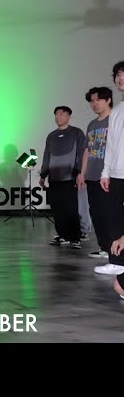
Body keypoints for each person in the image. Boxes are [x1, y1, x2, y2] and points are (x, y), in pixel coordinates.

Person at [76, 87, 121, 273]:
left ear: (108, 100)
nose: (95, 104)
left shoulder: (115, 119)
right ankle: (104, 247)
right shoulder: (92, 125)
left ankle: (115, 251)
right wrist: (82, 173)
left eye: (98, 100)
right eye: (92, 101)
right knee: (96, 213)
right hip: (92, 175)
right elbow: (87, 150)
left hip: (109, 175)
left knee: (110, 214)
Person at [39, 106, 84, 249]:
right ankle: (62, 235)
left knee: (71, 208)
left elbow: (82, 154)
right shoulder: (51, 136)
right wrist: (43, 175)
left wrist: (80, 172)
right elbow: (47, 156)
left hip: (70, 177)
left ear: (68, 116)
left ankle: (75, 237)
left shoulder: (76, 133)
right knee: (57, 209)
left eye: (61, 114)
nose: (58, 117)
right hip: (54, 178)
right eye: (56, 114)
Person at [100, 61, 124, 287]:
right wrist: (105, 172)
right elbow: (111, 145)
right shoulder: (116, 112)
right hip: (117, 173)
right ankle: (117, 261)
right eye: (117, 75)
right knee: (114, 219)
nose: (120, 78)